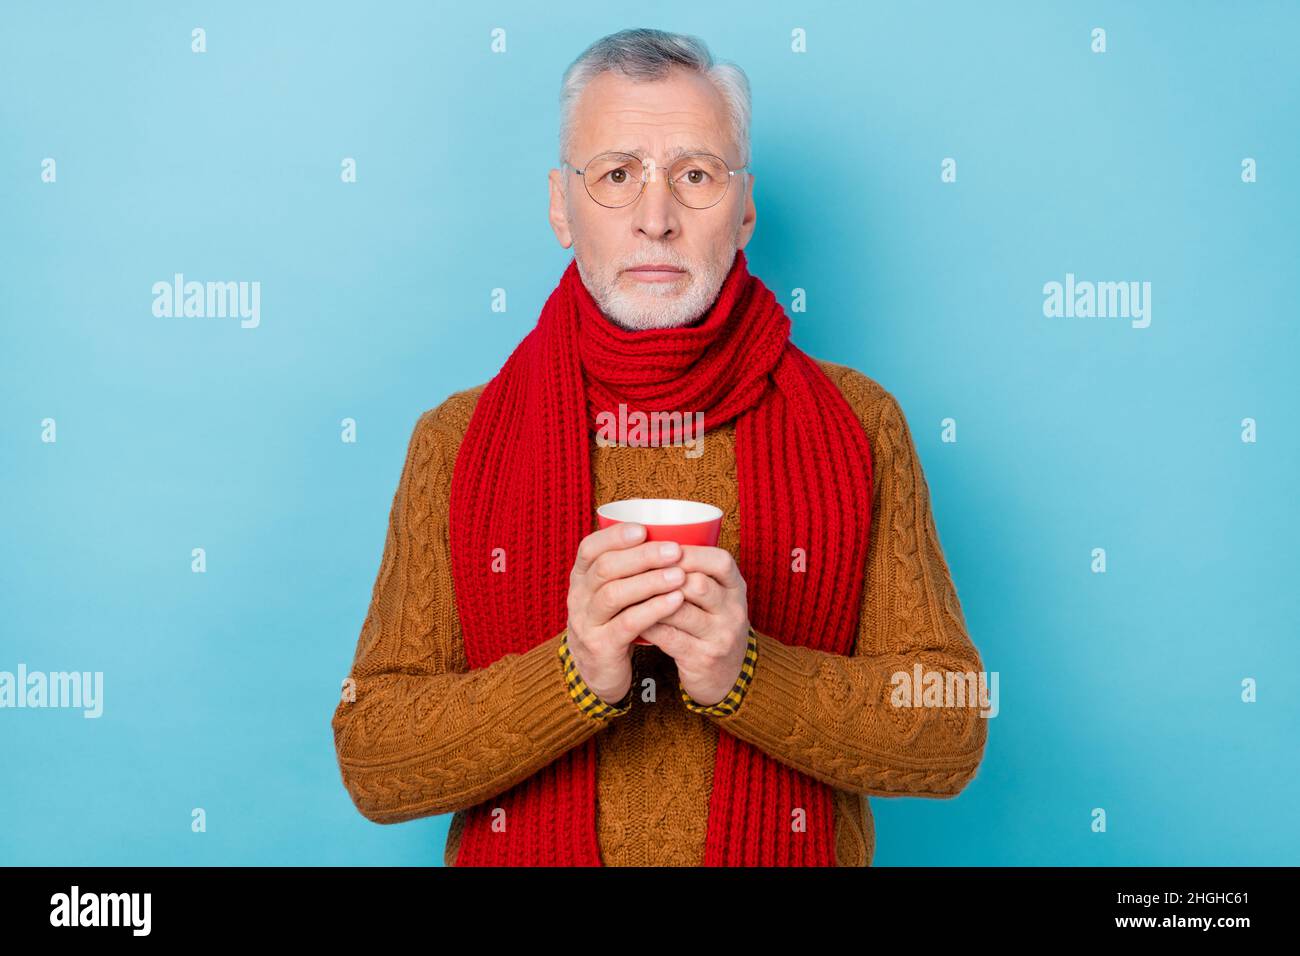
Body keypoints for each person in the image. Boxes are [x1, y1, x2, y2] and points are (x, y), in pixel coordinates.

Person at [331, 27, 988, 866]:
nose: (656, 219)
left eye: (695, 175)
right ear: (560, 208)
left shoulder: (862, 425)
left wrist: (748, 676)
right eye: (615, 175)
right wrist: (572, 679)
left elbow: (953, 725)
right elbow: (373, 758)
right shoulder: (455, 442)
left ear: (744, 206)